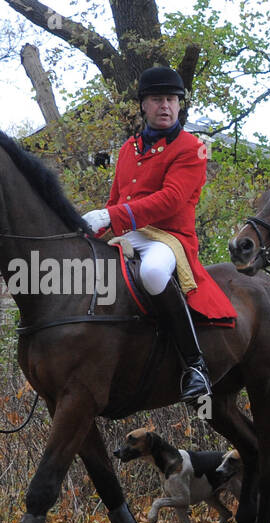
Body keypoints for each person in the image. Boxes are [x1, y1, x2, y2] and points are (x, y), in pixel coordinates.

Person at [80, 65, 228, 405]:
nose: (166, 106)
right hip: (127, 234)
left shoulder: (193, 148)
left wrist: (111, 215)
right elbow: (116, 199)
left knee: (152, 272)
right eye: (158, 99)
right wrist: (90, 228)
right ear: (143, 105)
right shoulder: (127, 149)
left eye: (172, 100)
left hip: (168, 238)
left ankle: (195, 365)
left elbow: (171, 199)